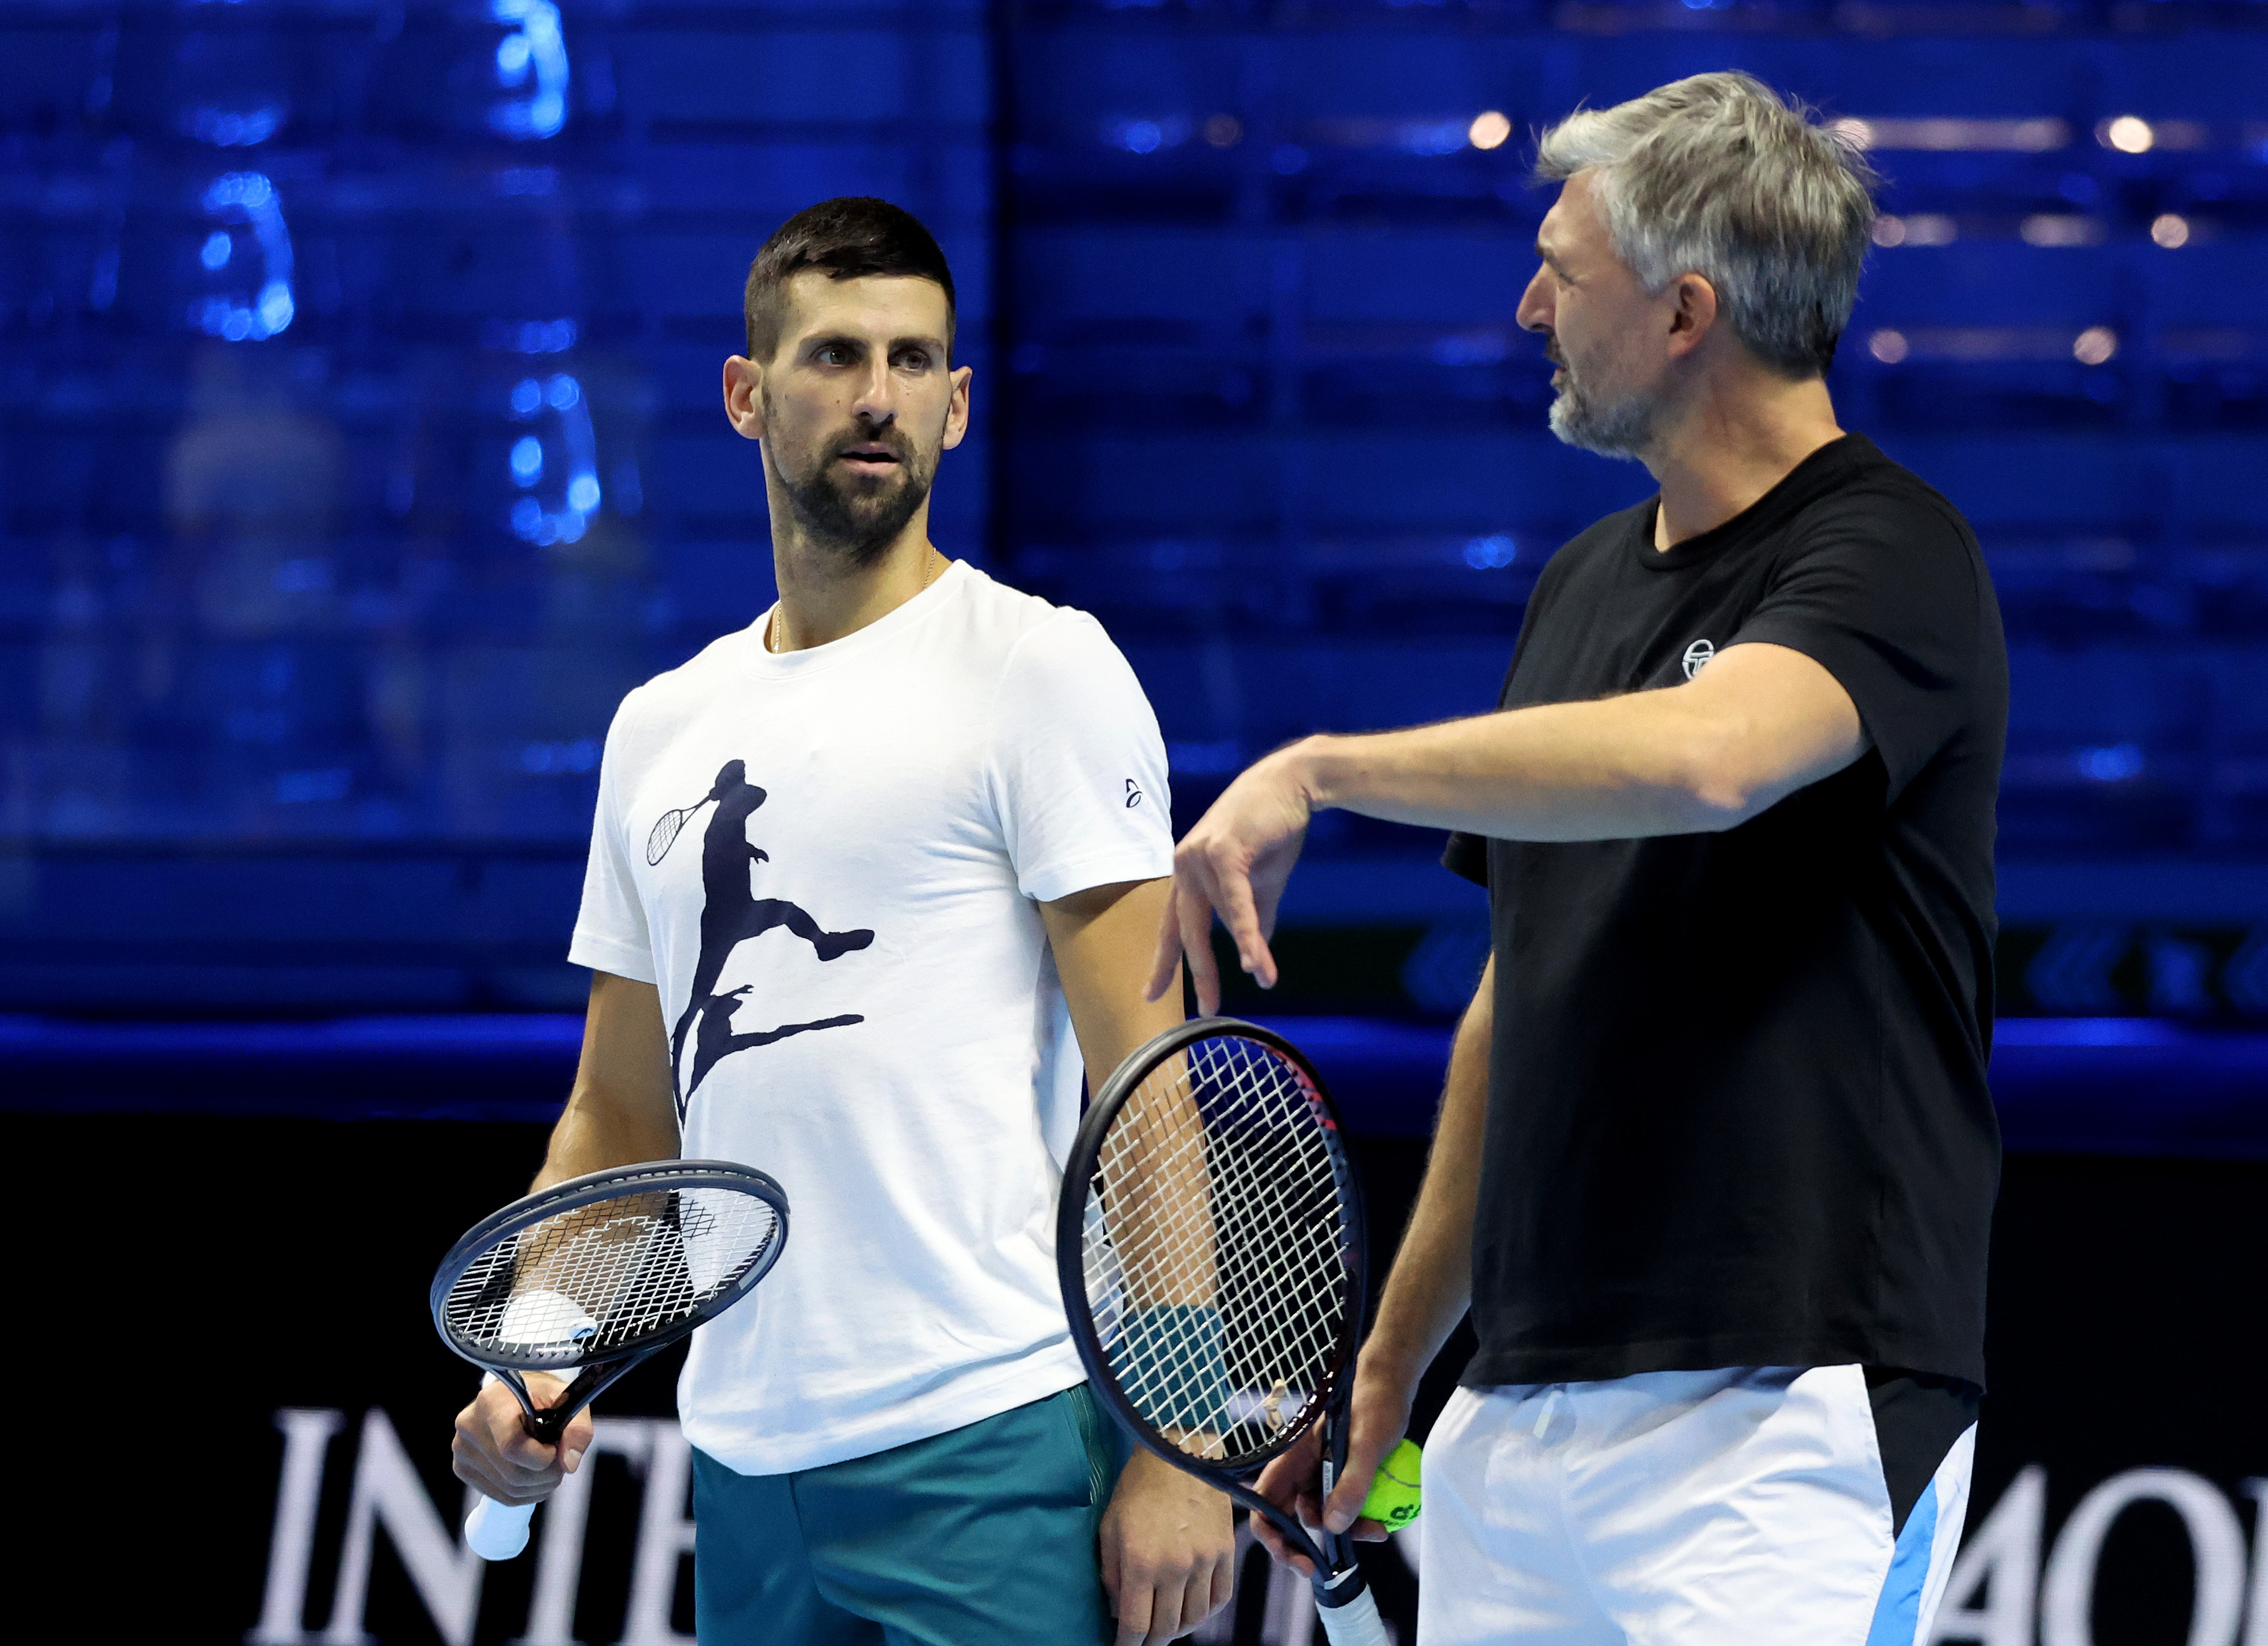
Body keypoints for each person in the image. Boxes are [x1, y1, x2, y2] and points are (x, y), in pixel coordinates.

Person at [1153, 73, 2008, 1646]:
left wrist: (1321, 770)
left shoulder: (1893, 552)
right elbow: (1517, 1005)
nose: (1530, 303)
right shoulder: (1578, 588)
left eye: (1566, 269)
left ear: (1688, 312)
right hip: (1521, 1410)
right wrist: (1393, 1362)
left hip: (1781, 1412)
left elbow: (1710, 758)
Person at [451, 198, 1235, 1646]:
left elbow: (1151, 1076)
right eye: (834, 356)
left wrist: (1179, 1441)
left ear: (958, 401)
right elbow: (622, 1112)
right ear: (748, 396)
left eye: (913, 359)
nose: (879, 396)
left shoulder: (1044, 671)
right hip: (744, 1470)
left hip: (990, 1440)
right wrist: (539, 1359)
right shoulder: (658, 729)